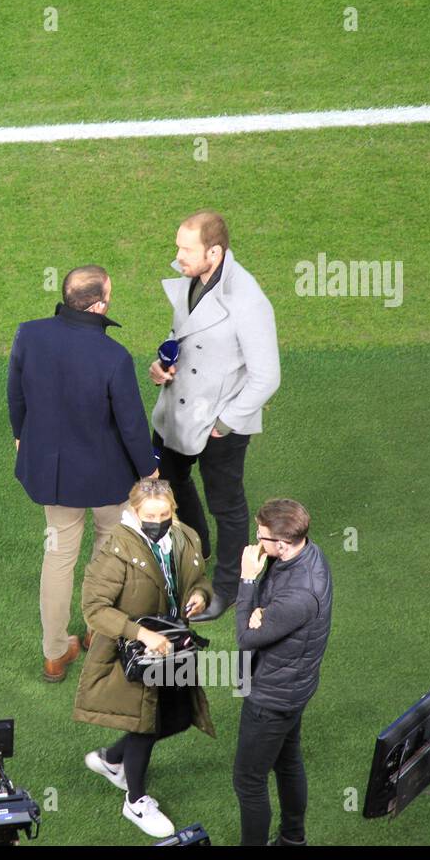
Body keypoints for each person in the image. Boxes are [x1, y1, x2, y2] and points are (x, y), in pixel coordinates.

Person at [8, 265, 159, 682]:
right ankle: (97, 631)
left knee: (58, 557)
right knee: (107, 551)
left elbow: (15, 392)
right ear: (99, 305)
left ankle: (55, 654)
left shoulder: (29, 334)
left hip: (53, 477)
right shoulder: (114, 356)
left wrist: (21, 435)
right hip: (106, 477)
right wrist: (149, 470)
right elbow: (130, 425)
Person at [148, 211, 280, 620]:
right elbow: (181, 335)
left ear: (214, 252)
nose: (177, 256)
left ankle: (228, 588)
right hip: (176, 408)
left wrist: (226, 422)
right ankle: (198, 546)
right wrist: (161, 363)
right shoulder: (195, 277)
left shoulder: (248, 301)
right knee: (168, 483)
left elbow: (267, 376)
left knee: (227, 504)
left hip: (219, 425)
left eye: (185, 249)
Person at [73, 478, 214, 838]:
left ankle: (112, 759)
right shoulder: (114, 551)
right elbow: (93, 609)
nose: (158, 520)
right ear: (135, 512)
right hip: (134, 654)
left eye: (165, 513)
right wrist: (141, 633)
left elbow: (199, 578)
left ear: (173, 511)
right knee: (144, 723)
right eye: (150, 515)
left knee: (180, 717)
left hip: (172, 647)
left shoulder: (184, 537)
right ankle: (135, 801)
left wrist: (199, 595)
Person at [232, 498, 332, 846]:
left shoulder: (299, 594)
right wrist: (261, 611)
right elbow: (259, 620)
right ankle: (293, 840)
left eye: (261, 538)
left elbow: (245, 637)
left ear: (283, 544)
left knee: (248, 781)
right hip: (292, 687)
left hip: (272, 697)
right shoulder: (309, 553)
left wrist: (247, 580)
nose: (255, 543)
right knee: (287, 761)